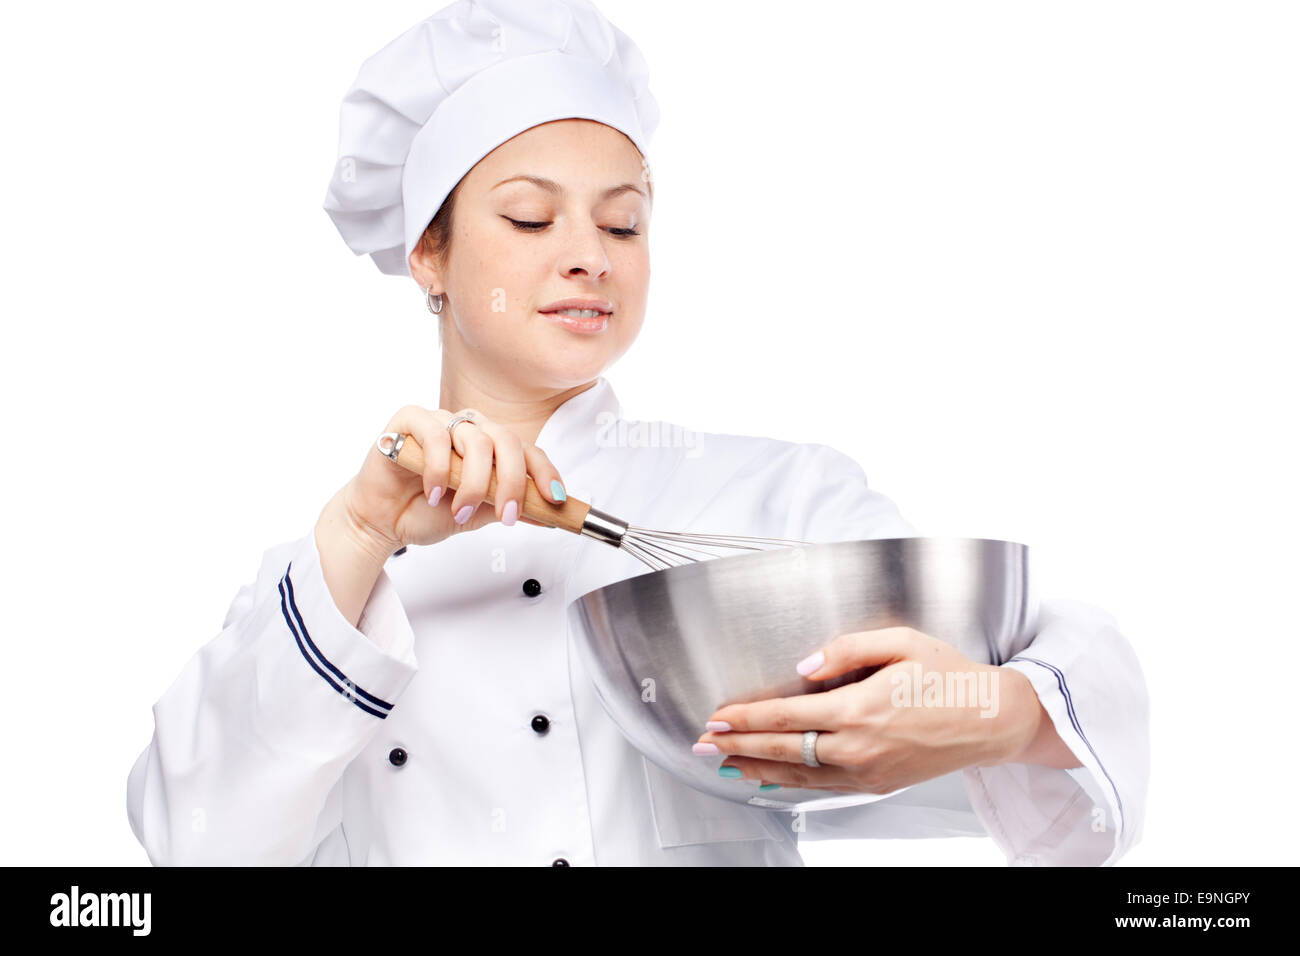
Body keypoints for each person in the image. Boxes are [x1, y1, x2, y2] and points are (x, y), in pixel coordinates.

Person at [126, 0, 1149, 866]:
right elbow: (192, 833)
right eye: (530, 219)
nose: (589, 257)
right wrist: (358, 535)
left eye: (622, 223)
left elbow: (1051, 650)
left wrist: (1001, 714)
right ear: (428, 254)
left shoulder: (766, 501)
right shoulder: (322, 583)